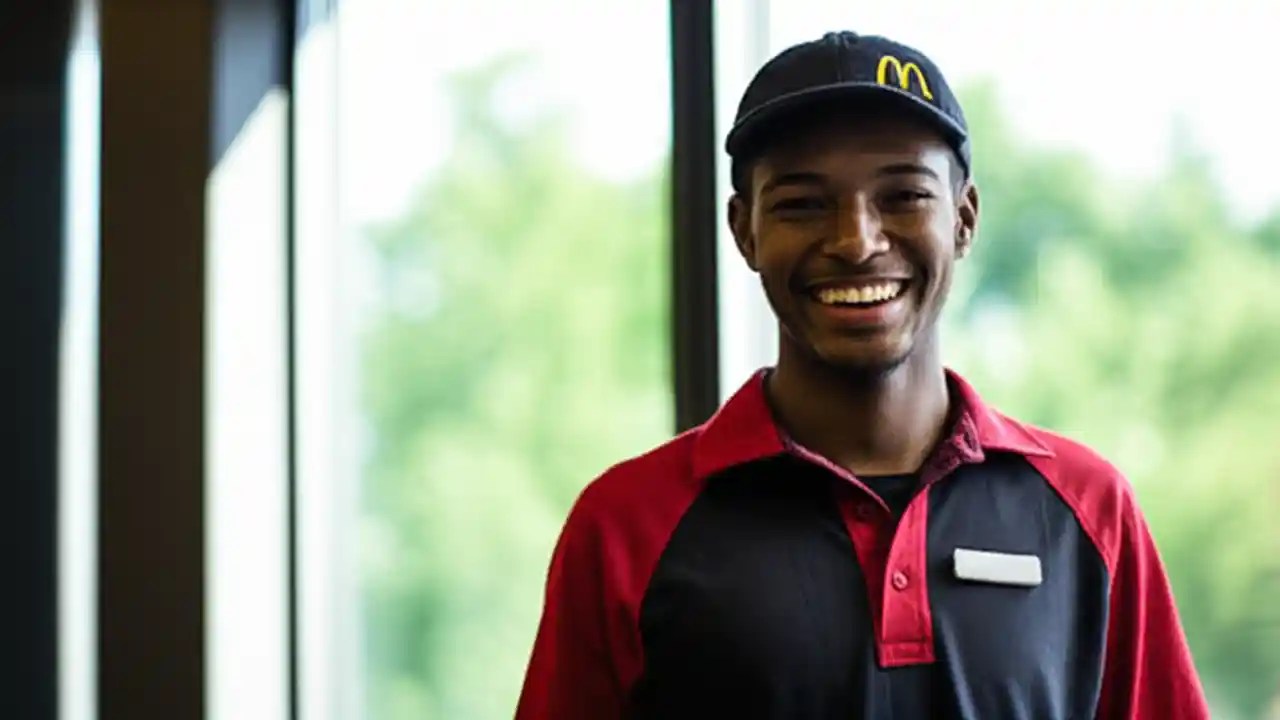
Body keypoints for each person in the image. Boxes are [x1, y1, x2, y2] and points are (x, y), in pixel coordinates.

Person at [515, 30, 1210, 720]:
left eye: (903, 196)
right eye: (802, 204)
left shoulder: (1090, 512)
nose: (856, 241)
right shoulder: (623, 526)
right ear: (744, 230)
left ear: (963, 219)